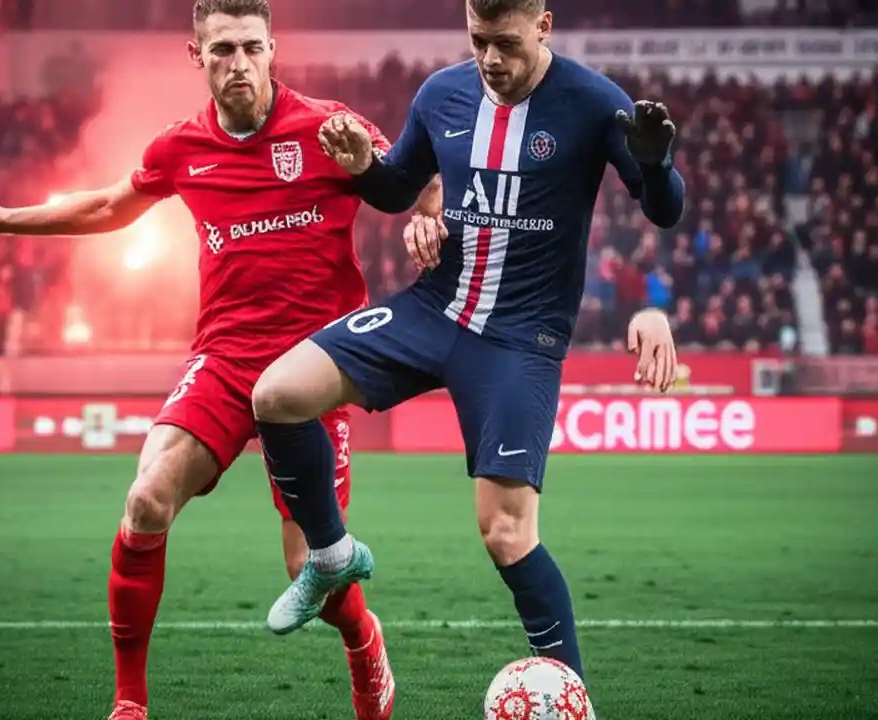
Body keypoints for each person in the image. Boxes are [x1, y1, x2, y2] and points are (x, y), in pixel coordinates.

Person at [0, 2, 422, 718]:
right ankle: (130, 703)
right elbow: (109, 206)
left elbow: (411, 176)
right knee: (145, 501)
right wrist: (4, 219)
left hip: (313, 370)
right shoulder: (180, 148)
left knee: (311, 572)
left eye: (251, 47)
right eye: (223, 49)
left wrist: (429, 214)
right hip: (227, 360)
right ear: (195, 55)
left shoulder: (329, 126)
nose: (239, 63)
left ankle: (362, 640)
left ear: (273, 49)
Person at [249, 0, 683, 691]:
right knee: (275, 395)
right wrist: (365, 166)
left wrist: (657, 168)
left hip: (520, 340)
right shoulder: (442, 93)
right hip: (432, 311)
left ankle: (570, 694)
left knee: (507, 533)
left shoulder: (594, 102)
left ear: (543, 25)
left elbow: (663, 210)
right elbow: (396, 189)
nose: (491, 60)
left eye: (506, 43)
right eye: (479, 40)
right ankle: (331, 556)